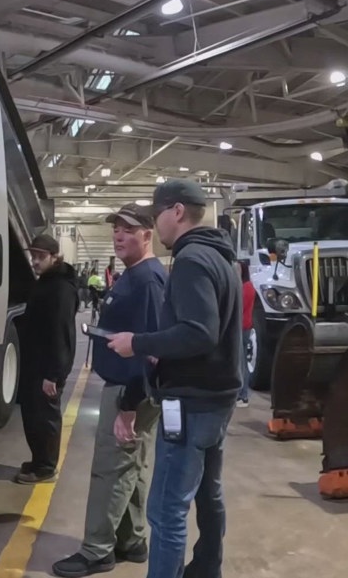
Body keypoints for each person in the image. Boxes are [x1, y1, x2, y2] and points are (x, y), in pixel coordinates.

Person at [106, 179, 243, 578]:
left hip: (190, 402)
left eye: (157, 215)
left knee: (166, 509)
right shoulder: (221, 257)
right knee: (208, 494)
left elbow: (200, 332)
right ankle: (206, 570)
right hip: (216, 398)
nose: (156, 225)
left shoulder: (191, 260)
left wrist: (139, 342)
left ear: (177, 211)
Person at [52, 204, 167, 577]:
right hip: (129, 387)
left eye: (128, 229)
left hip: (128, 389)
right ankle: (131, 540)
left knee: (111, 468)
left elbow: (150, 351)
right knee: (132, 462)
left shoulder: (147, 280)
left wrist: (129, 405)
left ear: (148, 235)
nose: (119, 235)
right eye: (116, 228)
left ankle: (97, 550)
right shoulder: (135, 275)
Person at [17, 234, 80, 484]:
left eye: (40, 257)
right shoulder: (46, 282)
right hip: (37, 363)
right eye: (33, 256)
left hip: (47, 368)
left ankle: (46, 468)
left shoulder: (60, 289)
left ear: (55, 257)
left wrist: (53, 375)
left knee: (45, 418)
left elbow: (61, 334)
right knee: (34, 415)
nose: (35, 261)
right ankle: (38, 459)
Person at [238, 262, 254, 407]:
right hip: (244, 326)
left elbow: (239, 308)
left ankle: (243, 395)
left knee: (242, 362)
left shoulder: (245, 288)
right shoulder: (247, 286)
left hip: (242, 328)